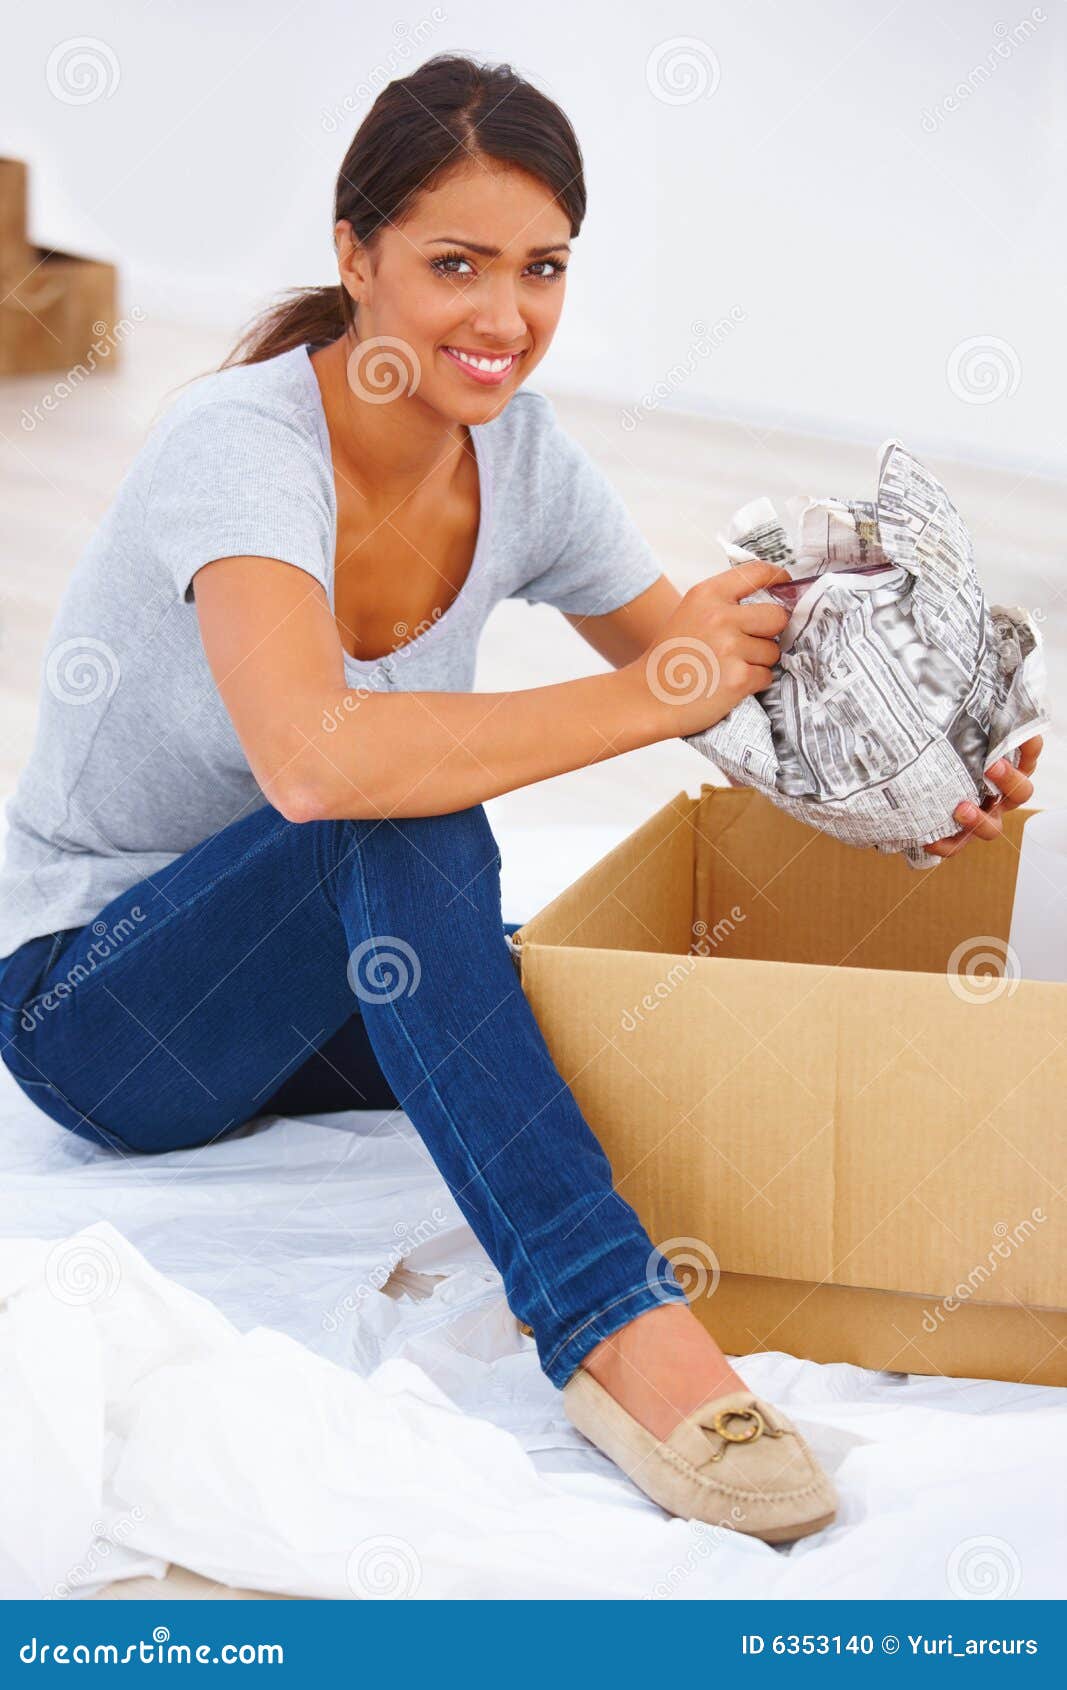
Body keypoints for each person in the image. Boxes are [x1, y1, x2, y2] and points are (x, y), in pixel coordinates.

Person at [0, 54, 1041, 1545]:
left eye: (541, 268)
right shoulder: (236, 450)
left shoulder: (524, 459)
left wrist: (930, 784)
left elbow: (715, 687)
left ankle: (705, 1251)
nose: (505, 317)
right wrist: (654, 690)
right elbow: (316, 762)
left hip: (312, 1003)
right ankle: (615, 1324)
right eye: (455, 265)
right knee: (395, 797)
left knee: (554, 1009)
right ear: (355, 260)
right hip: (97, 1008)